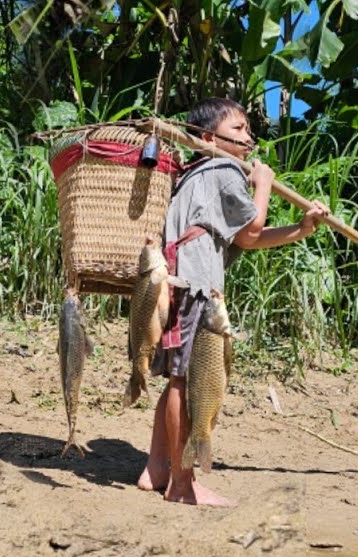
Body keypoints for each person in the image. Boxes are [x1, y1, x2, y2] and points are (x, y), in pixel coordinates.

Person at [136, 97, 328, 506]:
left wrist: (300, 228)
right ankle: (182, 485)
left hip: (181, 278)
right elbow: (254, 226)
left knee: (177, 377)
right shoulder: (222, 167)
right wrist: (262, 182)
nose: (249, 137)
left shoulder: (198, 173)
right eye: (238, 129)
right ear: (208, 138)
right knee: (184, 382)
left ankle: (156, 469)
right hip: (193, 282)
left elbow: (246, 238)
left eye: (247, 129)